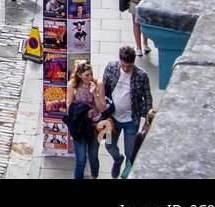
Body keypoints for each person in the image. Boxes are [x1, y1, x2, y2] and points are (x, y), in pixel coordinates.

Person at [102, 45, 154, 178]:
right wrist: (105, 114)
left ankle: (126, 174)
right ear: (119, 61)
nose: (126, 69)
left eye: (129, 66)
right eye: (123, 65)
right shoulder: (111, 68)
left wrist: (148, 122)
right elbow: (103, 90)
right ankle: (118, 159)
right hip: (111, 117)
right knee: (108, 145)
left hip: (131, 120)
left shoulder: (142, 76)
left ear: (133, 63)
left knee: (131, 153)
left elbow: (148, 98)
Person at [66, 60, 107, 180]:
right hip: (80, 125)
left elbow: (103, 108)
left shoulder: (98, 84)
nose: (89, 77)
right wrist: (84, 113)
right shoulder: (72, 85)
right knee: (81, 158)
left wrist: (95, 94)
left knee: (93, 155)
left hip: (95, 125)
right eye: (86, 75)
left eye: (91, 74)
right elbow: (69, 105)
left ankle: (94, 176)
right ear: (79, 75)